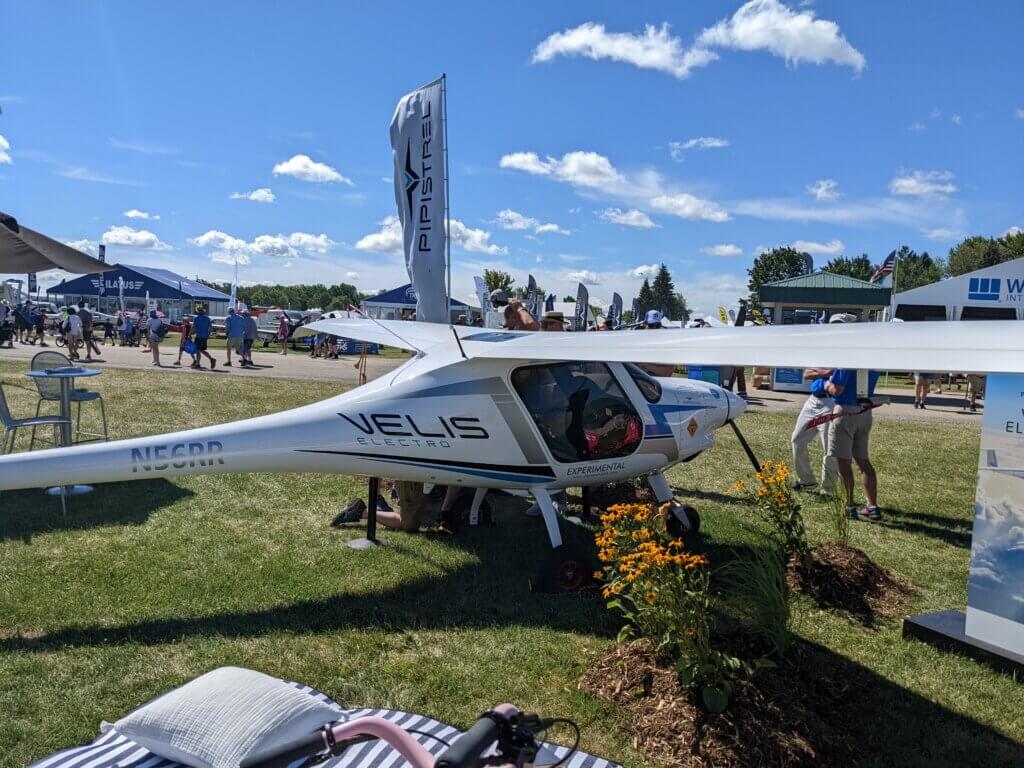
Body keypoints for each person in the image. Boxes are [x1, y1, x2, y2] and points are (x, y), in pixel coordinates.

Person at [826, 365, 882, 522]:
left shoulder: (848, 360)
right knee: (864, 461)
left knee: (844, 463)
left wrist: (826, 384)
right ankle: (872, 508)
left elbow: (837, 389)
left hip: (845, 412)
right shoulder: (874, 361)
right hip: (864, 411)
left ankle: (849, 506)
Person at [790, 367, 837, 493]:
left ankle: (828, 489)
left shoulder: (840, 355)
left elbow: (835, 372)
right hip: (813, 400)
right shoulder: (820, 354)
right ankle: (807, 481)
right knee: (797, 440)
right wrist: (825, 373)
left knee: (829, 448)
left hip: (830, 402)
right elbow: (807, 374)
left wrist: (819, 373)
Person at [639, 310, 676, 378]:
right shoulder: (639, 343)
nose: (654, 328)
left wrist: (646, 366)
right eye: (651, 325)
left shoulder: (665, 344)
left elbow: (668, 372)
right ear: (645, 325)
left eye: (657, 325)